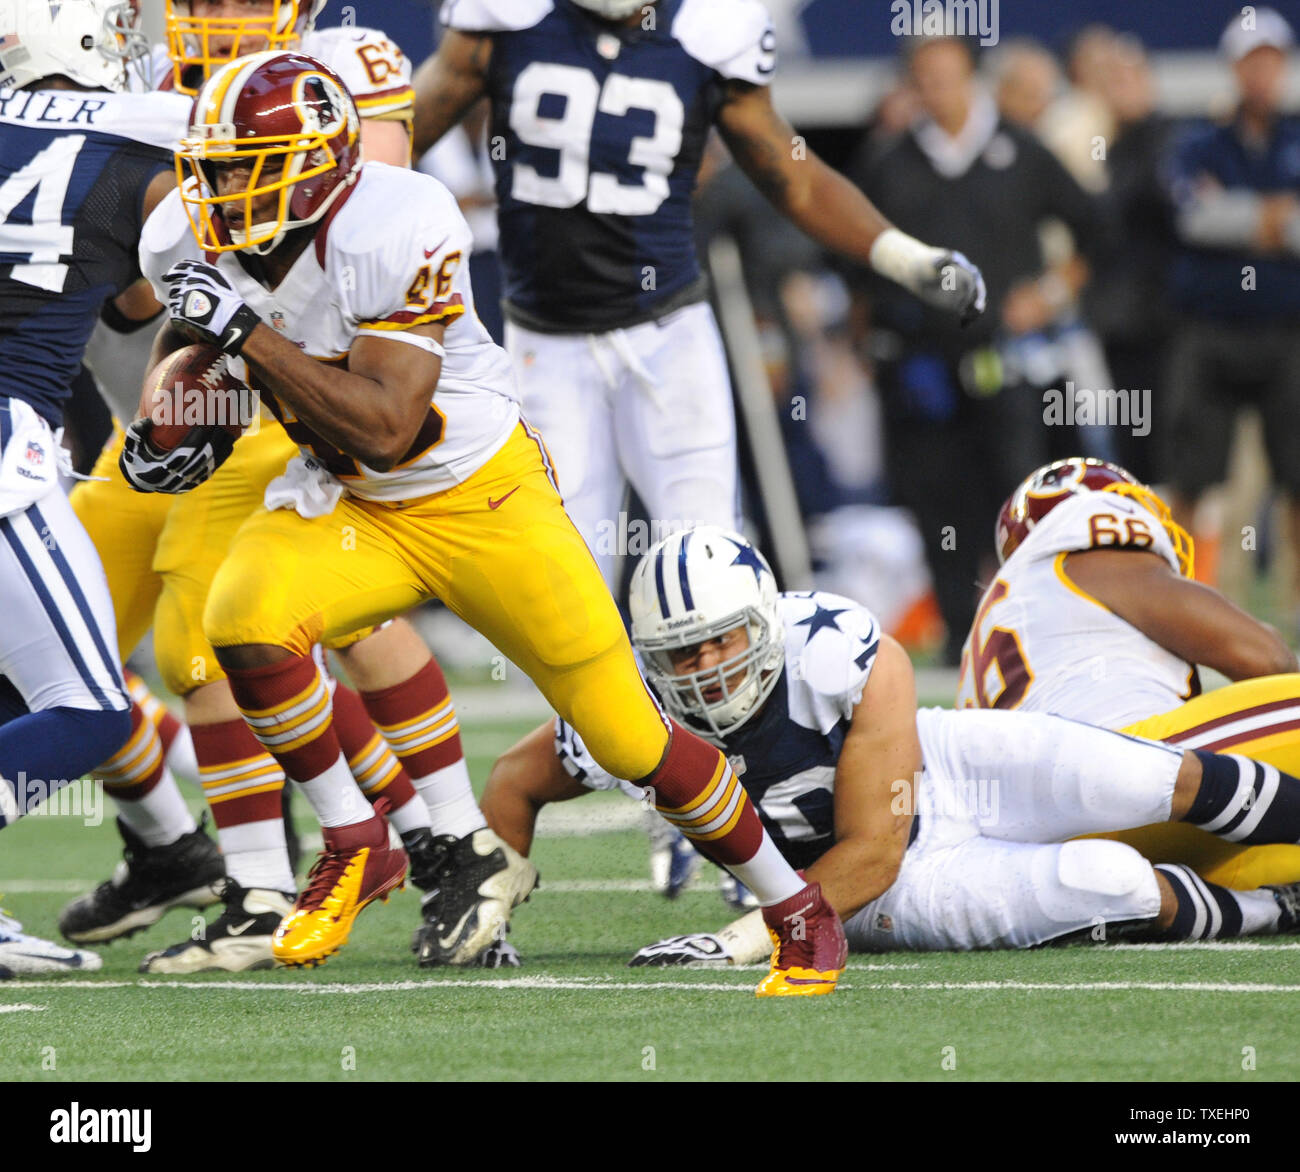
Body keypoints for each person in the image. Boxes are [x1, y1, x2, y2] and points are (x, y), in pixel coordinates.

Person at [122, 50, 846, 996]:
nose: (215, 191)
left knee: (630, 741)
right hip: (347, 503)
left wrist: (243, 338)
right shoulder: (186, 230)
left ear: (315, 166)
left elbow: (385, 424)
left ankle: (797, 909)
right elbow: (194, 329)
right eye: (208, 168)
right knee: (241, 622)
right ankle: (355, 840)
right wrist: (171, 414)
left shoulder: (397, 220)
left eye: (239, 168)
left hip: (478, 496)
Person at [58, 0, 519, 975]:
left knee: (229, 631)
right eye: (204, 1)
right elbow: (143, 298)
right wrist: (166, 391)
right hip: (199, 387)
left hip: (297, 388)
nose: (221, 16)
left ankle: (333, 856)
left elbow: (360, 243)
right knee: (79, 622)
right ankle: (212, 845)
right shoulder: (134, 93)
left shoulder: (334, 70)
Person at [482, 527, 1300, 966]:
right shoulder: (632, 709)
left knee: (1144, 776)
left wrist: (741, 941)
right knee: (1108, 881)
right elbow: (515, 782)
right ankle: (1271, 913)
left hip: (931, 777)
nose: (701, 671)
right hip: (864, 896)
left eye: (722, 642)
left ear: (765, 624)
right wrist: (489, 904)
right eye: (679, 656)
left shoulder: (833, 650)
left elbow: (877, 839)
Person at [411, 0, 985, 590]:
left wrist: (902, 255)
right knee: (561, 579)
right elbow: (400, 137)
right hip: (544, 341)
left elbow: (793, 175)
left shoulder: (707, 27)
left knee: (708, 562)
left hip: (667, 333)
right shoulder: (510, 16)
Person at [0, 0, 188, 973]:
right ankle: (189, 853)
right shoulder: (140, 151)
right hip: (8, 445)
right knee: (91, 709)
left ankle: (173, 849)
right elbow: (144, 302)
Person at [846, 34, 1099, 663]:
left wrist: (1047, 295)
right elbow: (850, 256)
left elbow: (1099, 231)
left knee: (1018, 496)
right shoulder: (889, 161)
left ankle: (1033, 631)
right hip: (922, 365)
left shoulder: (1020, 150)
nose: (939, 90)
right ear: (912, 84)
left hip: (1007, 362)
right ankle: (962, 636)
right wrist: (875, 339)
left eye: (949, 76)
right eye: (925, 77)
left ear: (972, 77)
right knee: (938, 503)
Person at [956, 456, 1300, 891]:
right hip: (1131, 774)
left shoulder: (996, 621)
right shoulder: (1083, 549)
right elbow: (1265, 659)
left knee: (1279, 848)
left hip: (1058, 839)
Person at [1163, 7, 1300, 615]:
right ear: (1232, 69)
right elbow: (1195, 217)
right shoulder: (1198, 142)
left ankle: (1296, 602)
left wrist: (1241, 215)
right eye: (1251, 62)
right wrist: (1276, 216)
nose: (1261, 74)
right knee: (1191, 475)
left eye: (1270, 61)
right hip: (1210, 330)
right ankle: (1183, 602)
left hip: (1285, 329)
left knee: (1298, 473)